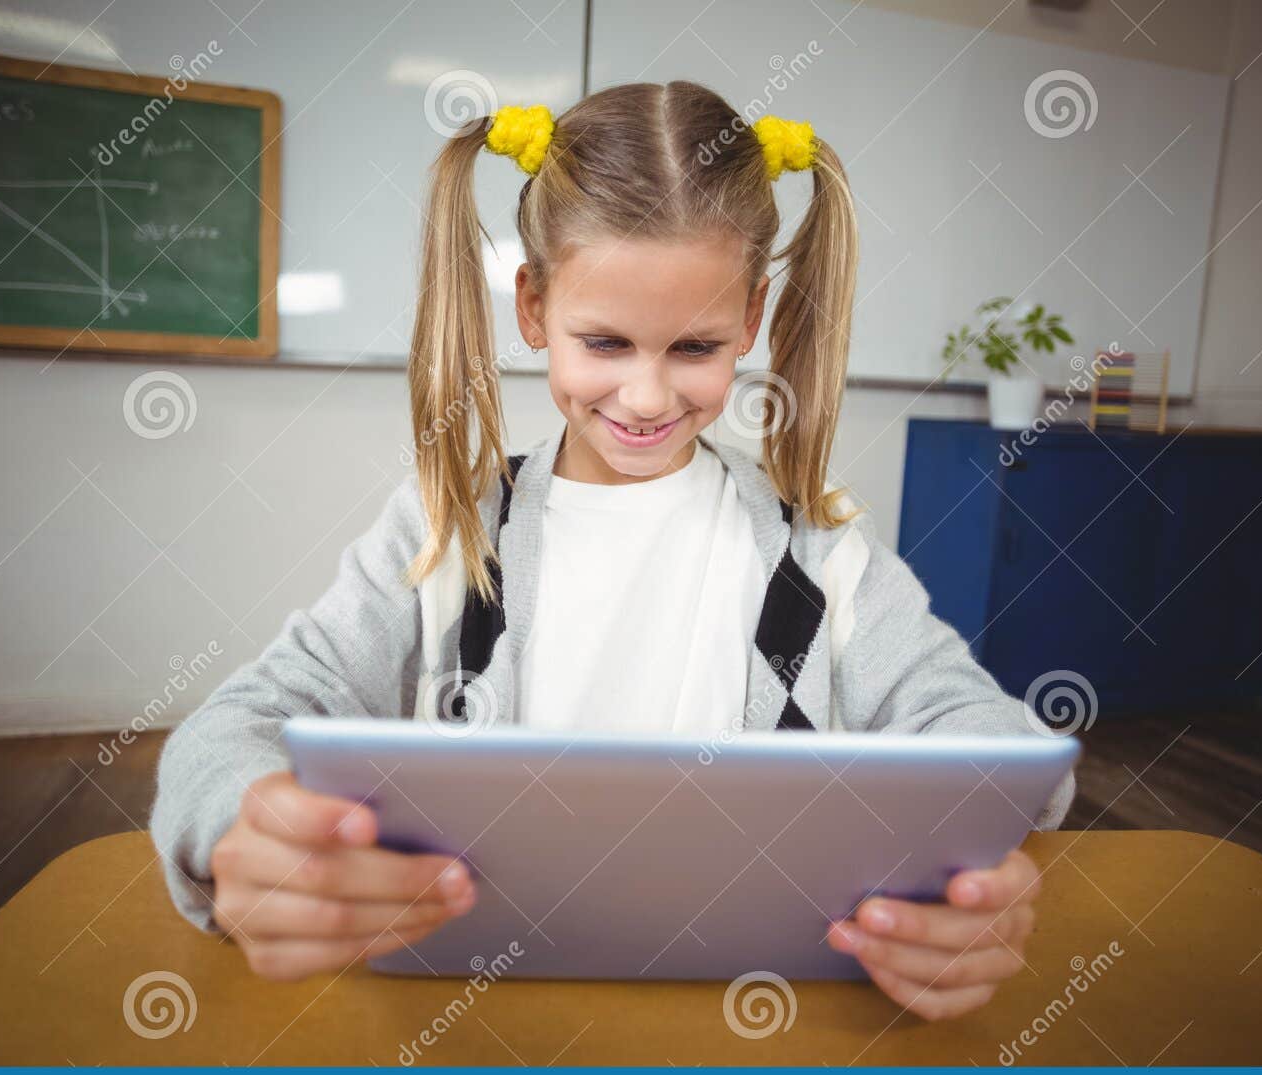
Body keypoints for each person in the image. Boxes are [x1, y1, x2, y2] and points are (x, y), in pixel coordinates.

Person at [151, 81, 1074, 1022]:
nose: (644, 396)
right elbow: (240, 723)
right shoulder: (449, 526)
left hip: (755, 1019)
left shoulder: (818, 540)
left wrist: (970, 869)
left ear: (752, 318)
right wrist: (240, 825)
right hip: (475, 1019)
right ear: (533, 306)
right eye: (604, 341)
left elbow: (984, 732)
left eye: (695, 347)